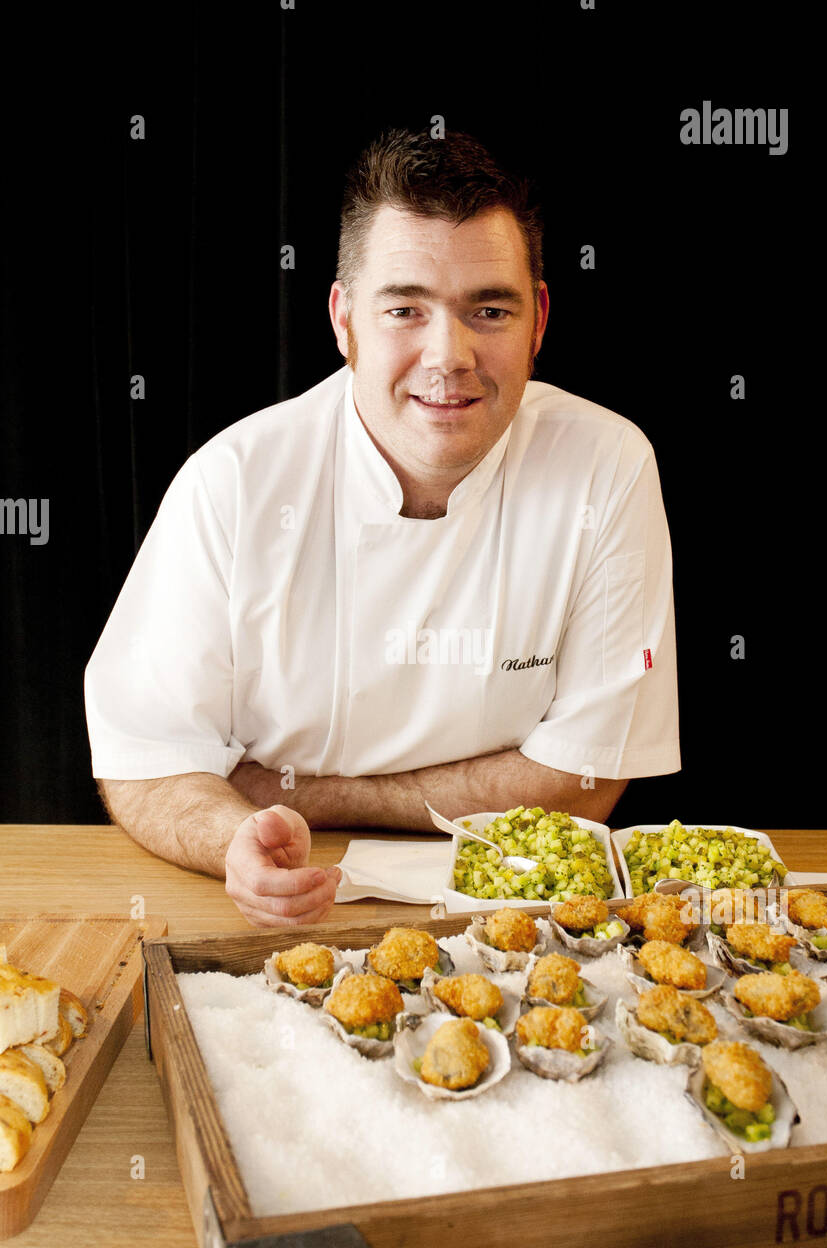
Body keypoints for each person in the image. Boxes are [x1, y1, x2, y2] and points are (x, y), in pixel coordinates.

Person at [84, 128, 680, 930]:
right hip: (286, 911)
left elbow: (583, 781)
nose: (450, 355)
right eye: (404, 308)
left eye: (488, 309)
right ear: (343, 319)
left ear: (537, 318)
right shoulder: (235, 481)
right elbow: (145, 760)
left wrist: (301, 790)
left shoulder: (604, 464)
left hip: (513, 911)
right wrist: (240, 833)